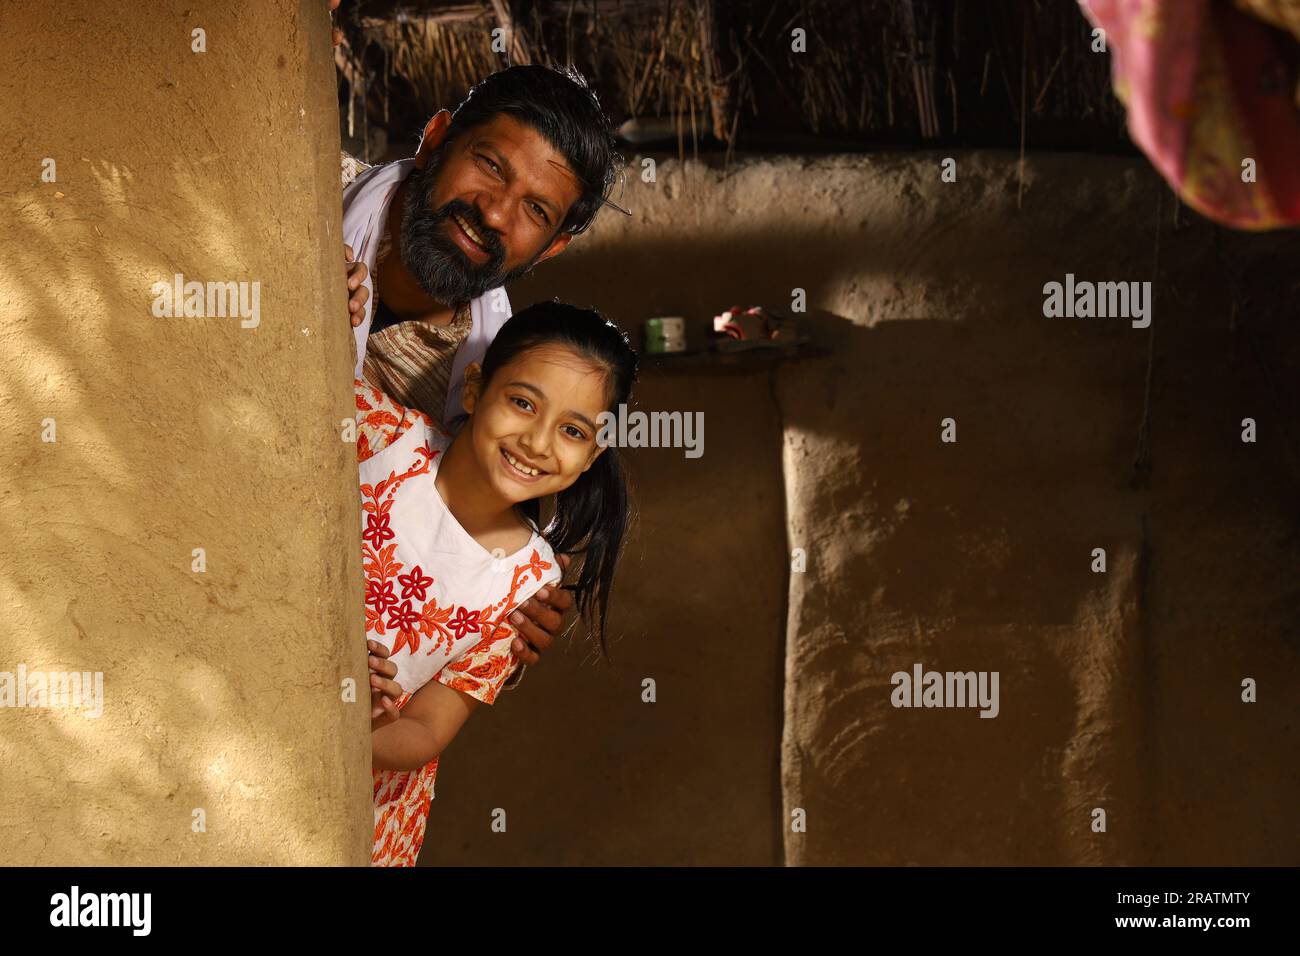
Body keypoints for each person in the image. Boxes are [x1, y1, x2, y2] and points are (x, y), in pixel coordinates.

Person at [344, 64, 628, 707]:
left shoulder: (471, 397)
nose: (495, 213)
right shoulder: (297, 202)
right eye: (491, 165)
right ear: (437, 138)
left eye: (536, 210)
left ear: (551, 248)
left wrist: (499, 619)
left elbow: (452, 581)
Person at [357, 300, 638, 866]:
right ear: (474, 390)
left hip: (361, 789)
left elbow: (429, 730)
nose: (537, 442)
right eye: (522, 402)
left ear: (591, 456)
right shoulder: (381, 439)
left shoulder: (527, 587)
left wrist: (361, 727)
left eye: (573, 430)